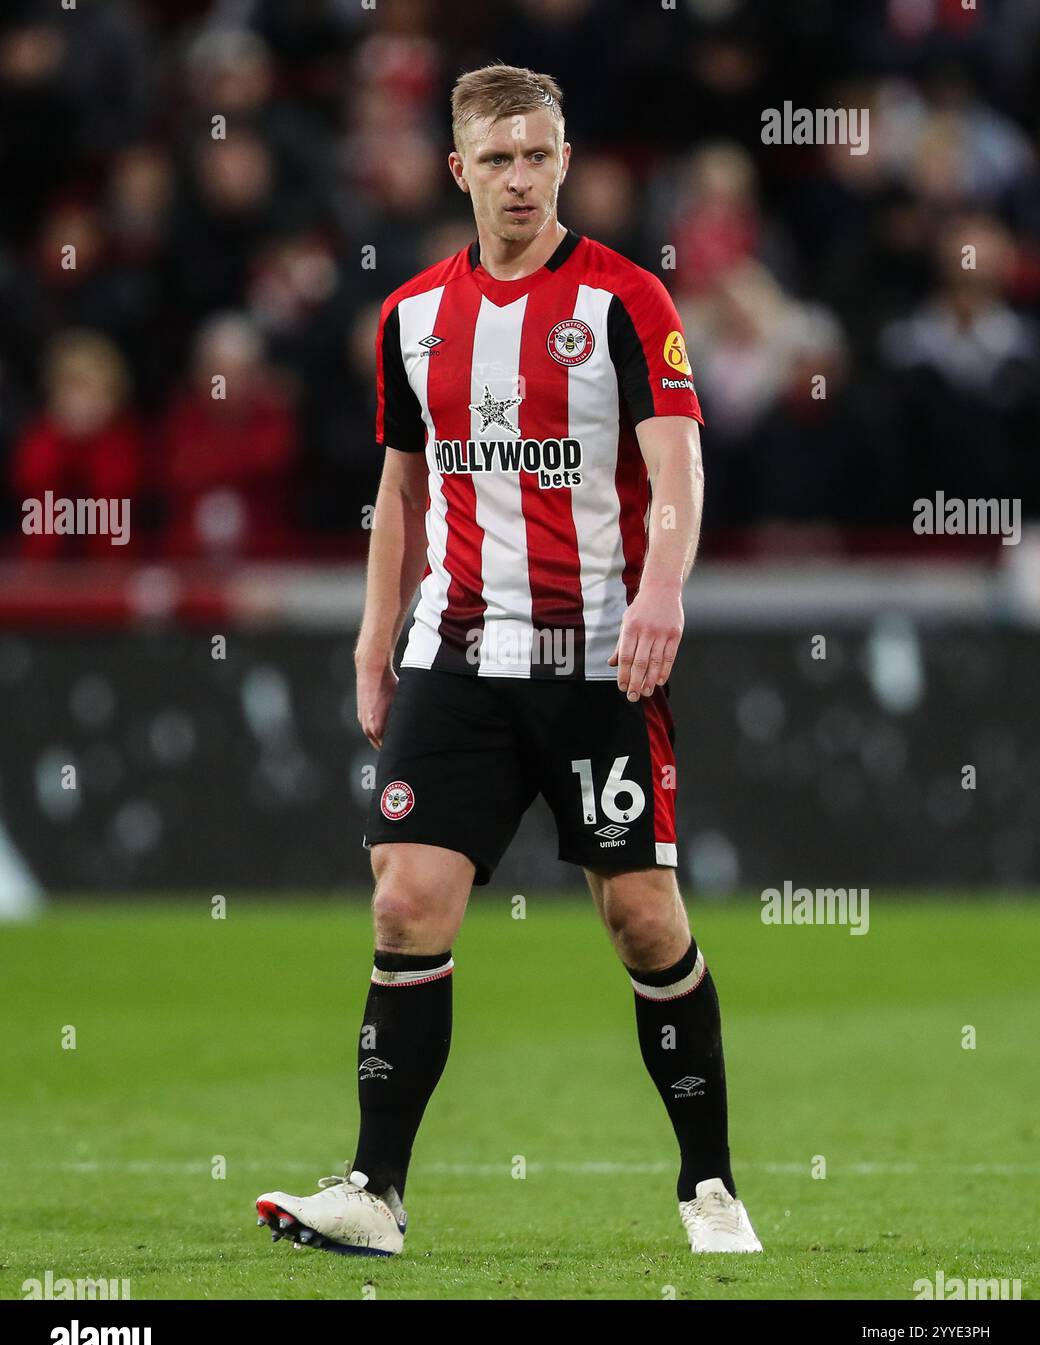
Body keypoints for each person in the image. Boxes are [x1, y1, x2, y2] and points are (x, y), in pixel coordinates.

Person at [256, 63, 761, 1258]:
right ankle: (374, 1192)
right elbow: (398, 487)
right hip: (457, 653)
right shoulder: (412, 317)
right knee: (404, 896)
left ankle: (709, 1185)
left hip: (598, 659)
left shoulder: (628, 301)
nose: (520, 177)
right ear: (458, 171)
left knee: (641, 918)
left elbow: (678, 463)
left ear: (565, 160)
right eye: (497, 158)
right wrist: (375, 633)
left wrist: (660, 590)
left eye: (538, 154)